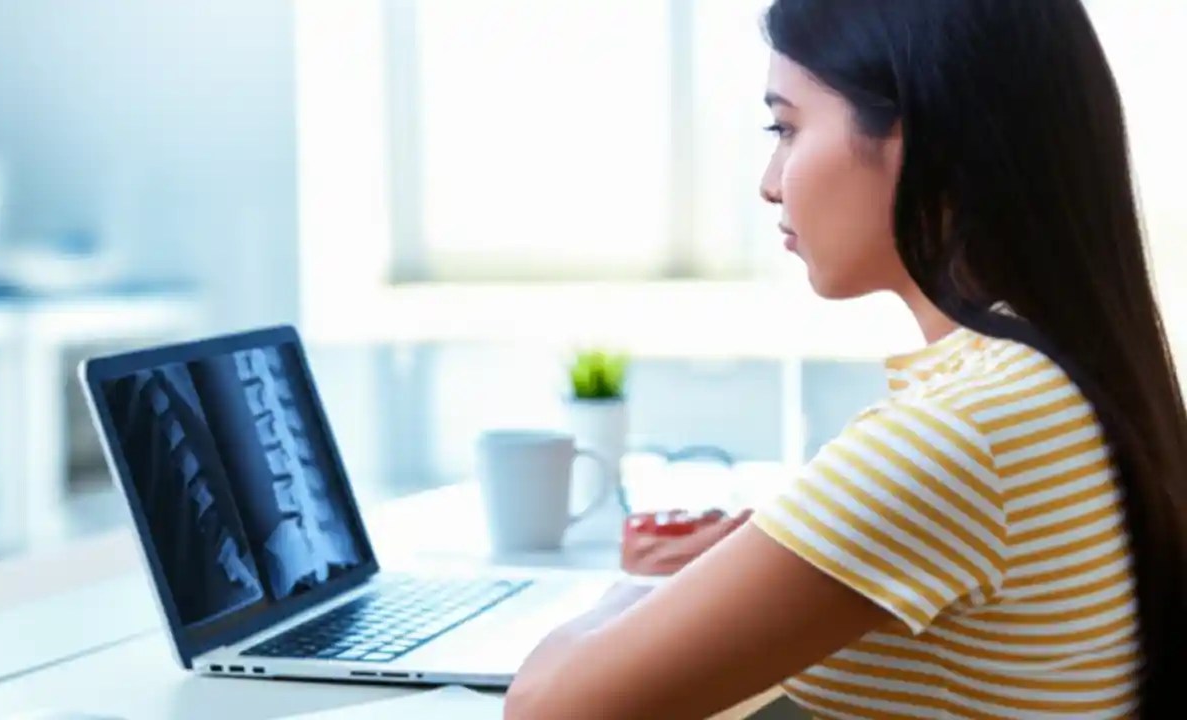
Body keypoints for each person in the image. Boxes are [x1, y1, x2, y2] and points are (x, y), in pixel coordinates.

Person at [504, 0, 1187, 717]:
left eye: (786, 128)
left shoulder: (961, 433)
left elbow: (548, 708)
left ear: (922, 135)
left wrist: (640, 592)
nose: (771, 181)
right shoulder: (1049, 389)